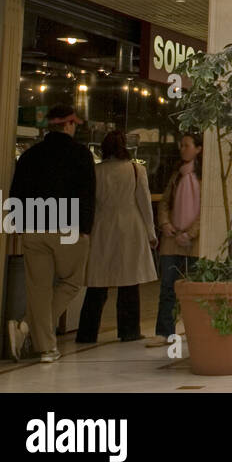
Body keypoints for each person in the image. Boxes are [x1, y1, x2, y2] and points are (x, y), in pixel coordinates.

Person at [6, 104, 96, 363]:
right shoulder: (80, 155)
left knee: (38, 287)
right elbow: (88, 194)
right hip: (68, 228)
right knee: (71, 282)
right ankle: (27, 328)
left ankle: (45, 347)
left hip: (33, 227)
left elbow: (16, 194)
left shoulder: (30, 155)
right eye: (74, 124)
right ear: (68, 124)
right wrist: (85, 229)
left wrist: (20, 225)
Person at [76, 131, 158, 344]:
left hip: (102, 227)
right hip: (130, 228)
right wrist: (151, 233)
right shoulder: (135, 170)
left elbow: (89, 204)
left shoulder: (96, 172)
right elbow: (145, 203)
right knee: (129, 281)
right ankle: (129, 330)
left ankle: (87, 332)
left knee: (97, 283)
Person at [150, 132, 202, 346]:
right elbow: (164, 203)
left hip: (194, 242)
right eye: (181, 145)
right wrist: (165, 224)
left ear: (198, 149)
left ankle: (197, 331)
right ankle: (165, 331)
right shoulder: (176, 175)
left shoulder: (202, 177)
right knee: (168, 287)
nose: (183, 149)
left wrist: (190, 233)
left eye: (187, 145)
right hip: (172, 239)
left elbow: (206, 209)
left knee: (194, 288)